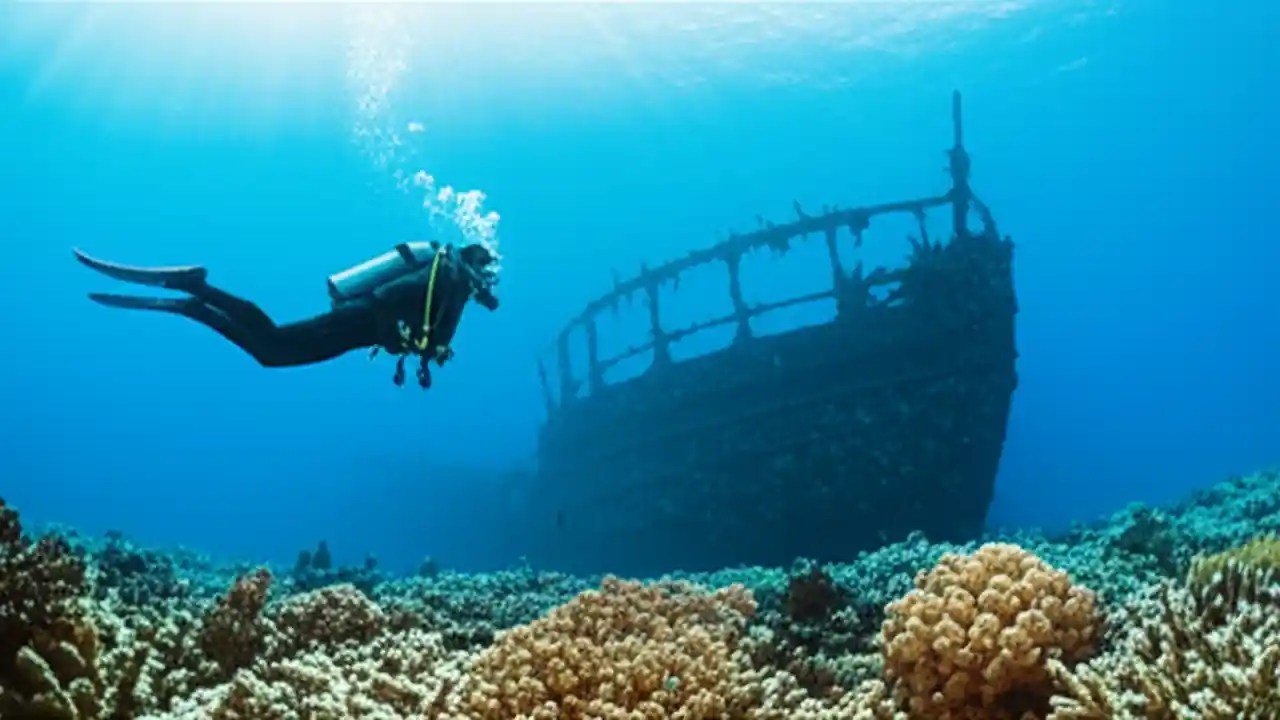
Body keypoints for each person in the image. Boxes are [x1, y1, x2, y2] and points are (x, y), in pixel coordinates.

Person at [73, 241, 500, 389]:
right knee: (272, 345)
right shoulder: (452, 278)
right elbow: (405, 312)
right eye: (489, 275)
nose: (488, 287)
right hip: (360, 322)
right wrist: (412, 344)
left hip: (359, 324)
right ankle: (194, 292)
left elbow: (415, 322)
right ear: (477, 266)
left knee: (271, 350)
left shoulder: (443, 275)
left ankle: (194, 300)